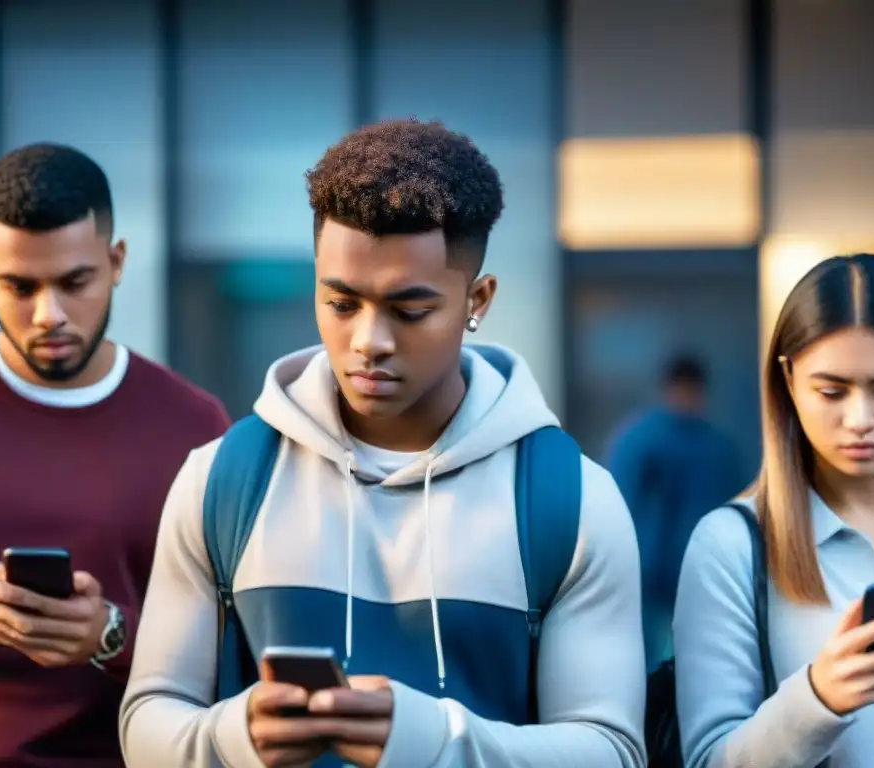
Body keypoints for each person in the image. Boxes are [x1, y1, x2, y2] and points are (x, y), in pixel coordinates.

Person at [119, 118, 646, 767]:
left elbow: (612, 751)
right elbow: (146, 721)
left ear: (476, 299)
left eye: (409, 310)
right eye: (342, 304)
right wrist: (235, 737)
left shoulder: (574, 502)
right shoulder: (221, 478)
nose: (370, 340)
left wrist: (434, 740)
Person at [0, 143, 230, 766]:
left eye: (74, 282)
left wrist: (108, 635)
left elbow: (227, 649)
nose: (49, 314)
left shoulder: (195, 425)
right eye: (19, 286)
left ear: (115, 262)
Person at [674, 253, 874, 768]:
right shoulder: (731, 545)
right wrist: (818, 697)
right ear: (788, 381)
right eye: (832, 391)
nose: (860, 419)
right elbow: (709, 761)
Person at [606, 354, 744, 670]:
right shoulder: (644, 441)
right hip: (650, 574)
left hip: (694, 571)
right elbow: (620, 503)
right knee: (655, 657)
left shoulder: (716, 447)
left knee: (691, 657)